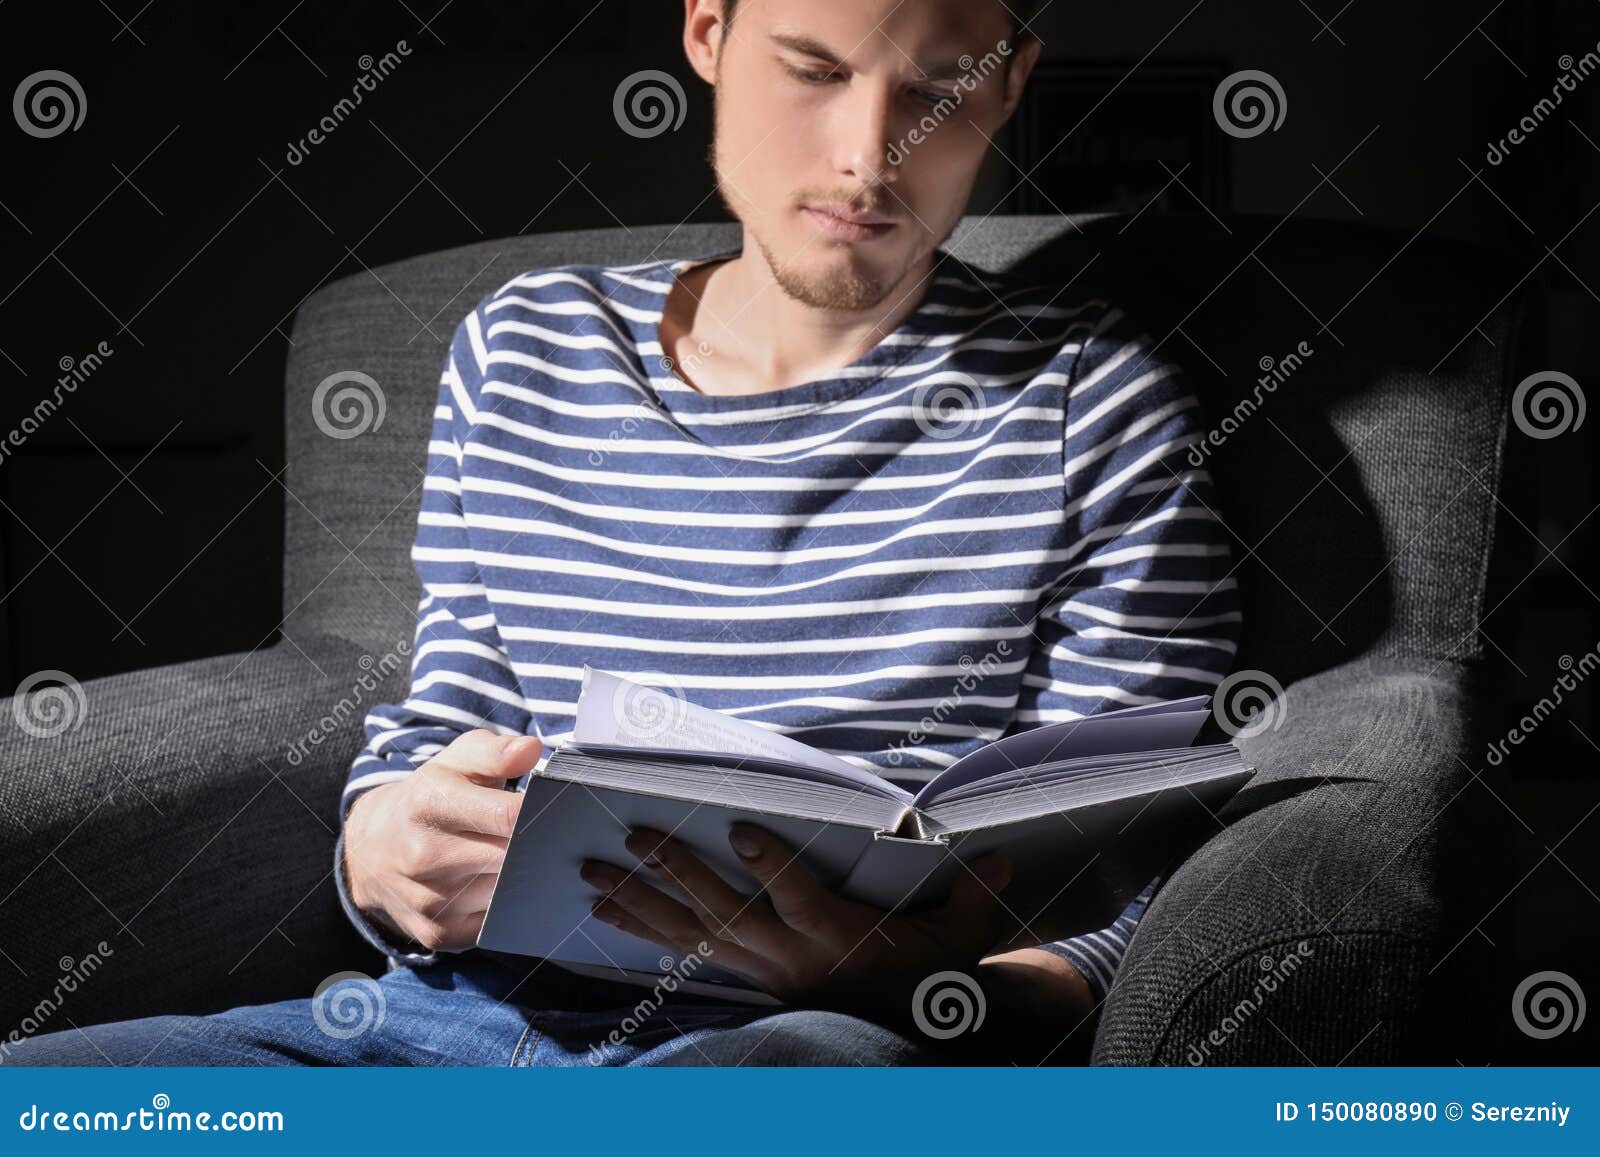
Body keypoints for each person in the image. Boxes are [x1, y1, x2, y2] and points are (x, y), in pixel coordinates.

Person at [10, 0, 1238, 1067]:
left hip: (819, 1044)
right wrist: (382, 844)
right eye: (813, 69)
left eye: (939, 91)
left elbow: (1132, 877)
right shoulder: (527, 345)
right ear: (708, 34)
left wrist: (936, 991)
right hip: (436, 1025)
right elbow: (445, 724)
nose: (872, 155)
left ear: (1012, 80)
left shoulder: (1094, 400)